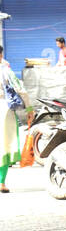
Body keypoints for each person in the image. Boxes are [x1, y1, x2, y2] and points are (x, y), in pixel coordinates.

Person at [0, 45, 27, 193]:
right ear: (1, 55)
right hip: (3, 110)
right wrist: (29, 109)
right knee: (4, 146)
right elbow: (20, 89)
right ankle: (1, 182)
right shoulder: (5, 70)